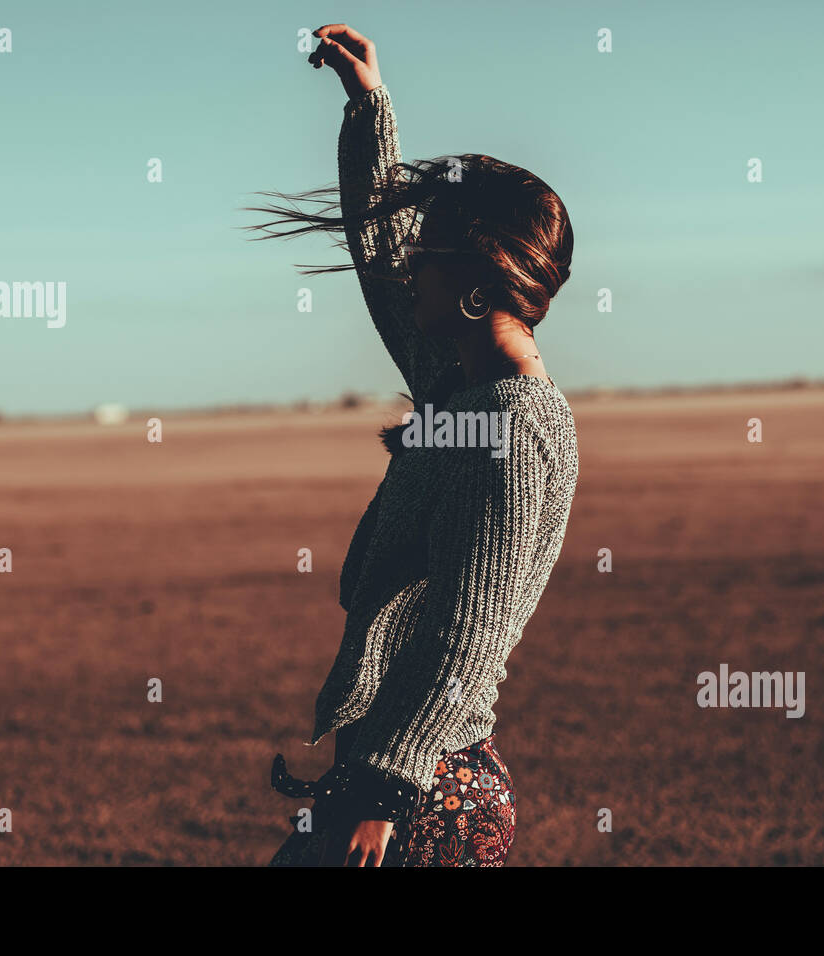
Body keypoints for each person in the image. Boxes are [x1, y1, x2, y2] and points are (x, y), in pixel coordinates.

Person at [251, 23, 579, 866]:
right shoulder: (460, 387)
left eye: (430, 259)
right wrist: (369, 109)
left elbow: (468, 630)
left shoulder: (506, 428)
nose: (412, 273)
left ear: (472, 287)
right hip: (398, 779)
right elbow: (379, 251)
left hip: (423, 800)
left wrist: (385, 788)